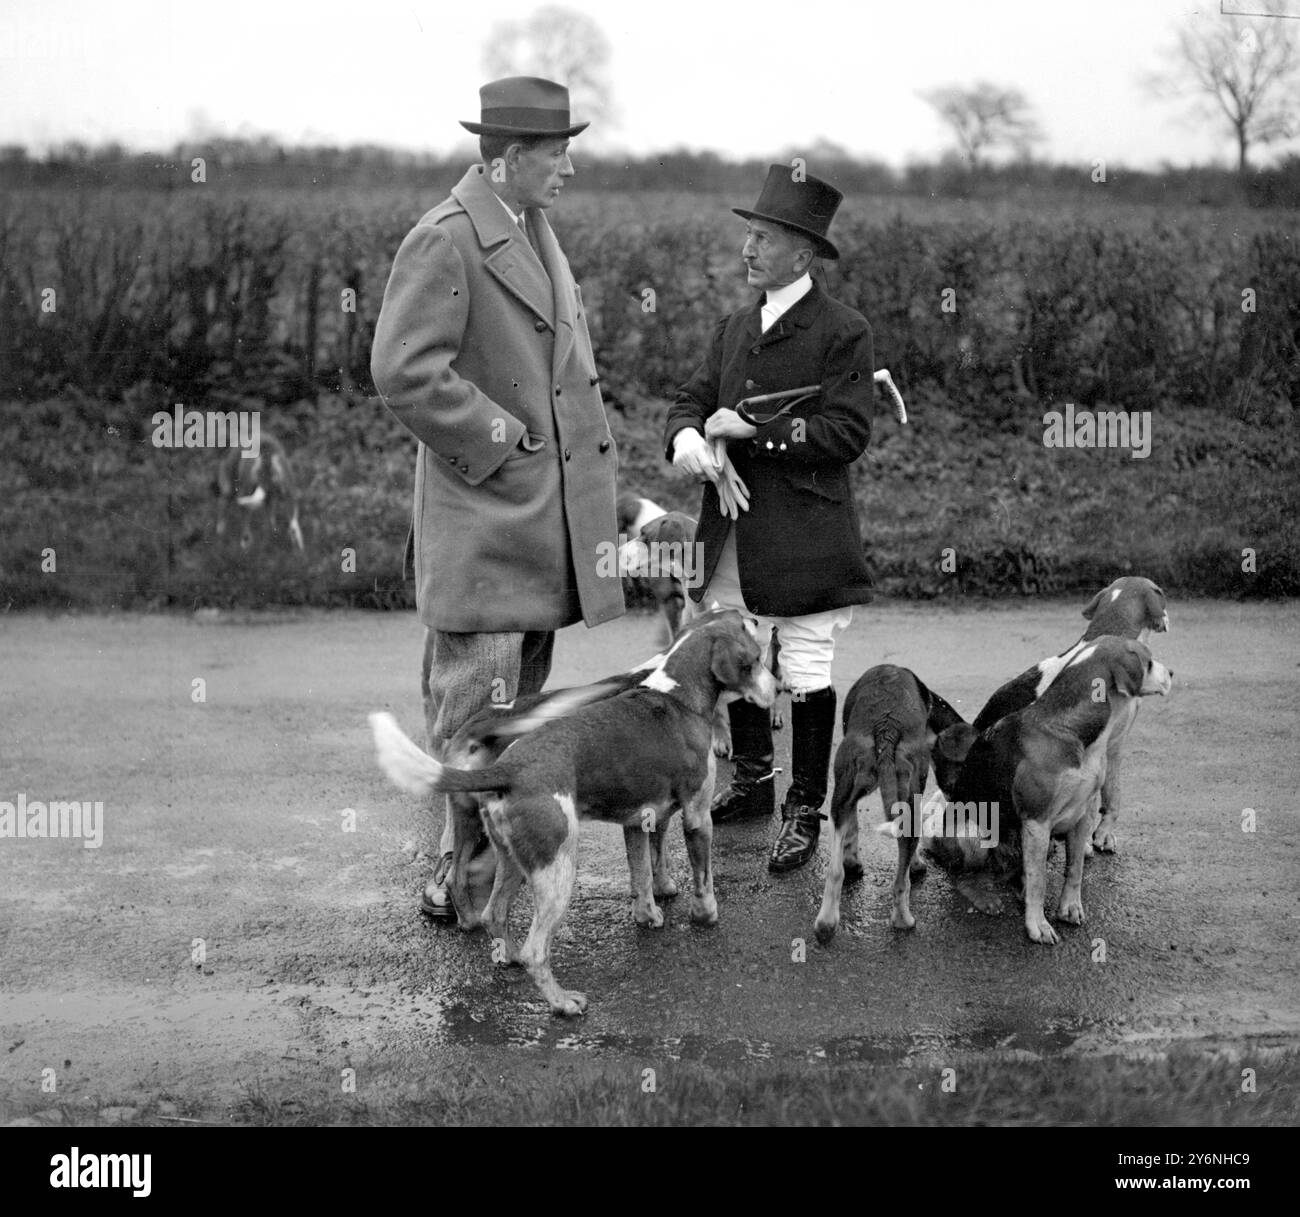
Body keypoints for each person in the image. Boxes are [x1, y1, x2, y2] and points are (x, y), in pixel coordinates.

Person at [371, 76, 624, 918]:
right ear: (511, 157)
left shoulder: (532, 227)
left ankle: (487, 865)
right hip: (486, 520)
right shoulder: (446, 239)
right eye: (557, 154)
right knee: (478, 712)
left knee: (516, 714)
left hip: (539, 521)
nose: (570, 169)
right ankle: (461, 879)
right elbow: (402, 369)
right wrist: (501, 440)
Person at [663, 164, 875, 873]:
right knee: (739, 649)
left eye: (764, 238)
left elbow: (848, 432)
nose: (748, 249)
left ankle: (805, 809)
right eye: (749, 235)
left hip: (808, 536)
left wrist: (758, 431)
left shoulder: (844, 331)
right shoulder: (733, 327)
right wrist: (686, 438)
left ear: (803, 254)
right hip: (731, 534)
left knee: (806, 668)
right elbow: (690, 399)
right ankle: (754, 783)